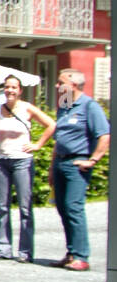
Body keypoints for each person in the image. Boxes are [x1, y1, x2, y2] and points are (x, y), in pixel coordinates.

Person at [49, 68, 109, 271]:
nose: (57, 86)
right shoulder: (64, 104)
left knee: (74, 208)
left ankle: (82, 257)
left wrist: (92, 160)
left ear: (73, 85)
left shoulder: (89, 106)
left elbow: (104, 135)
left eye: (60, 82)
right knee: (63, 208)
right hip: (60, 162)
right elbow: (59, 138)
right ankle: (72, 252)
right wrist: (52, 167)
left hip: (77, 164)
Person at [0, 74, 54, 262]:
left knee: (25, 207)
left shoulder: (27, 108)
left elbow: (51, 125)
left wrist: (37, 145)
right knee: (3, 206)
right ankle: (3, 248)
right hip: (1, 160)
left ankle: (25, 251)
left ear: (20, 90)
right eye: (7, 87)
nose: (10, 90)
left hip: (22, 161)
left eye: (14, 87)